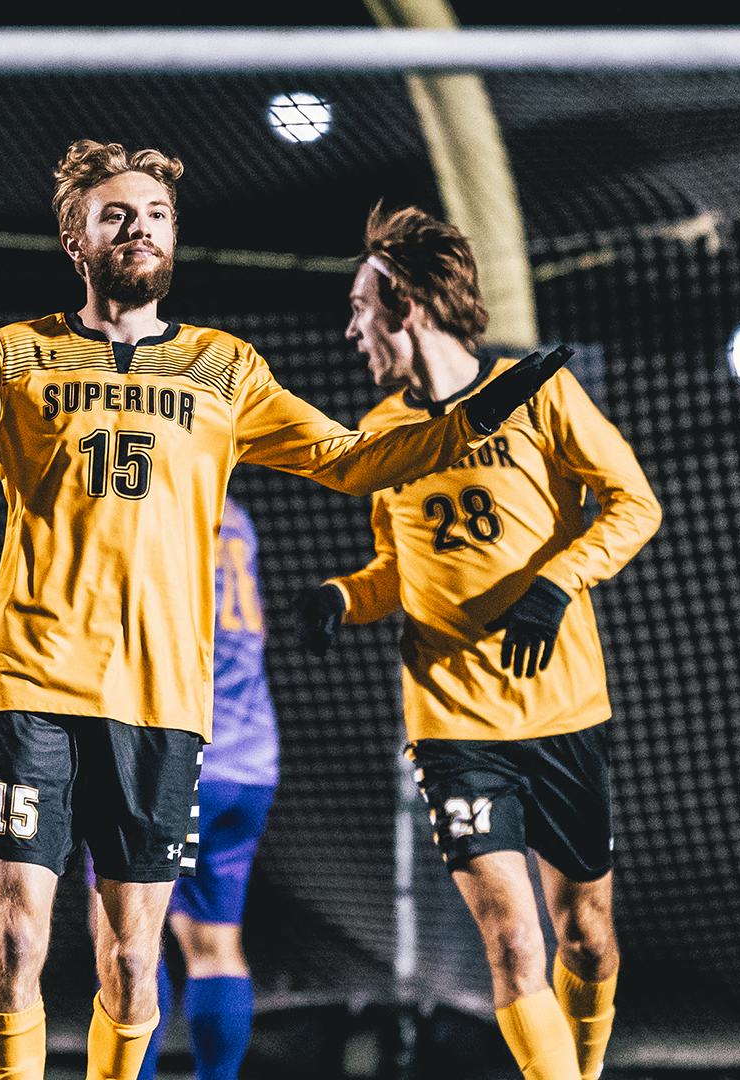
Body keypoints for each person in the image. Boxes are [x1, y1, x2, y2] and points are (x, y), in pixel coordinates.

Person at [0, 139, 568, 1080]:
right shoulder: (18, 358)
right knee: (19, 933)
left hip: (161, 706)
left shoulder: (226, 368)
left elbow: (354, 460)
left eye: (154, 216)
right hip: (34, 680)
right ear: (77, 239)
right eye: (116, 215)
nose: (138, 228)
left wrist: (467, 419)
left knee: (136, 959)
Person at [295, 204, 662, 1080]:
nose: (351, 328)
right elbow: (399, 569)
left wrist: (552, 585)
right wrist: (345, 596)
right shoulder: (384, 434)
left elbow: (634, 504)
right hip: (453, 723)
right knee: (510, 935)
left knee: (589, 936)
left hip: (562, 706)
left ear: (408, 308)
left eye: (361, 308)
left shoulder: (540, 393)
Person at [93, 494, 279, 1080]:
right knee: (216, 944)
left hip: (170, 759)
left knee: (126, 946)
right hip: (250, 761)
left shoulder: (154, 508)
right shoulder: (238, 517)